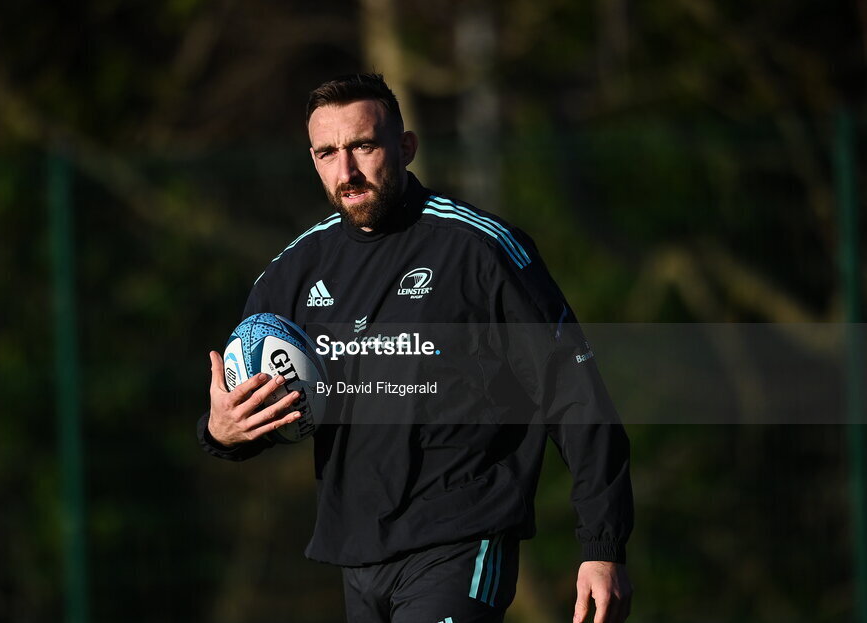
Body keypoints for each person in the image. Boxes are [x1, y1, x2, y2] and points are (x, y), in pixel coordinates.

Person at [199, 73, 633, 623]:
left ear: (405, 147)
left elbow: (576, 395)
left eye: (363, 146)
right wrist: (222, 431)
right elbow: (253, 402)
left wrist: (602, 544)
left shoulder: (480, 250)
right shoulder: (294, 272)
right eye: (328, 153)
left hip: (462, 539)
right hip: (356, 554)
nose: (347, 171)